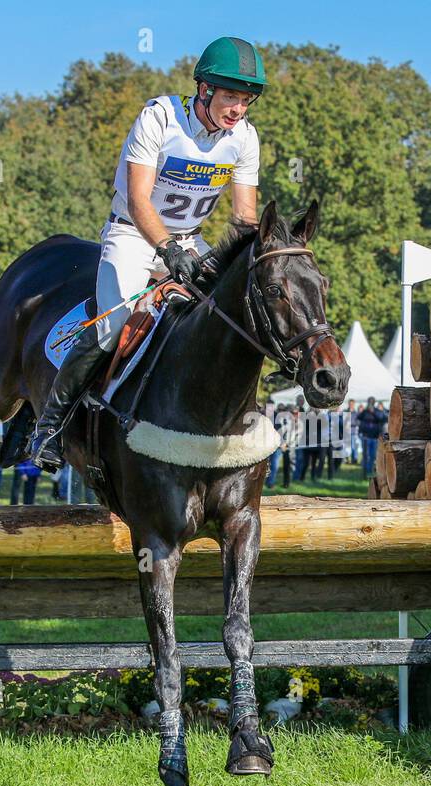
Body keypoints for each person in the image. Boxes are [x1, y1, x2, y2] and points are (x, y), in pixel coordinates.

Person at [29, 36, 265, 470]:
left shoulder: (244, 139)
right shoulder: (160, 118)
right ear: (205, 89)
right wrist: (167, 249)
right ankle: (50, 427)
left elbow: (244, 220)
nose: (238, 109)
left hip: (190, 240)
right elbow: (139, 201)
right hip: (134, 236)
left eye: (245, 100)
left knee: (232, 311)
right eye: (231, 96)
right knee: (113, 323)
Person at [357, 398, 387, 477]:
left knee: (373, 455)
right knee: (365, 455)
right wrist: (364, 411)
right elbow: (359, 417)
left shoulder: (378, 411)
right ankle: (365, 472)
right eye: (369, 402)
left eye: (371, 402)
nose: (370, 403)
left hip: (374, 437)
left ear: (374, 403)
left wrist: (373, 412)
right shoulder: (365, 411)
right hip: (365, 437)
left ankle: (369, 470)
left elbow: (382, 419)